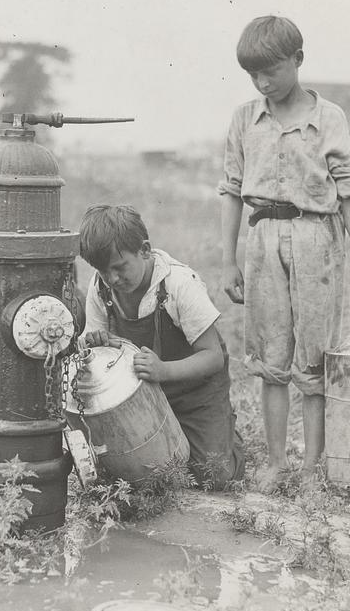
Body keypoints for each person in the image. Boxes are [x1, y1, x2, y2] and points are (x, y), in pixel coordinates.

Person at [218, 15, 350, 493]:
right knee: (272, 356)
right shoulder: (245, 118)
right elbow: (230, 189)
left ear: (298, 61)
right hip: (262, 240)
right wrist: (228, 258)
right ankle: (274, 463)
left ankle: (311, 468)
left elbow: (349, 193)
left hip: (317, 239)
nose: (263, 82)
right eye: (253, 74)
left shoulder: (328, 118)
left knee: (313, 356)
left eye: (272, 70)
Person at [78, 204, 245, 490]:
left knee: (213, 476)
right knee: (134, 475)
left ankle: (228, 436)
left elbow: (213, 357)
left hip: (197, 393)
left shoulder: (179, 283)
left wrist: (163, 370)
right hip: (144, 394)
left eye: (119, 268)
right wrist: (96, 343)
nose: (113, 279)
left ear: (144, 250)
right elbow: (94, 341)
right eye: (105, 272)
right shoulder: (101, 288)